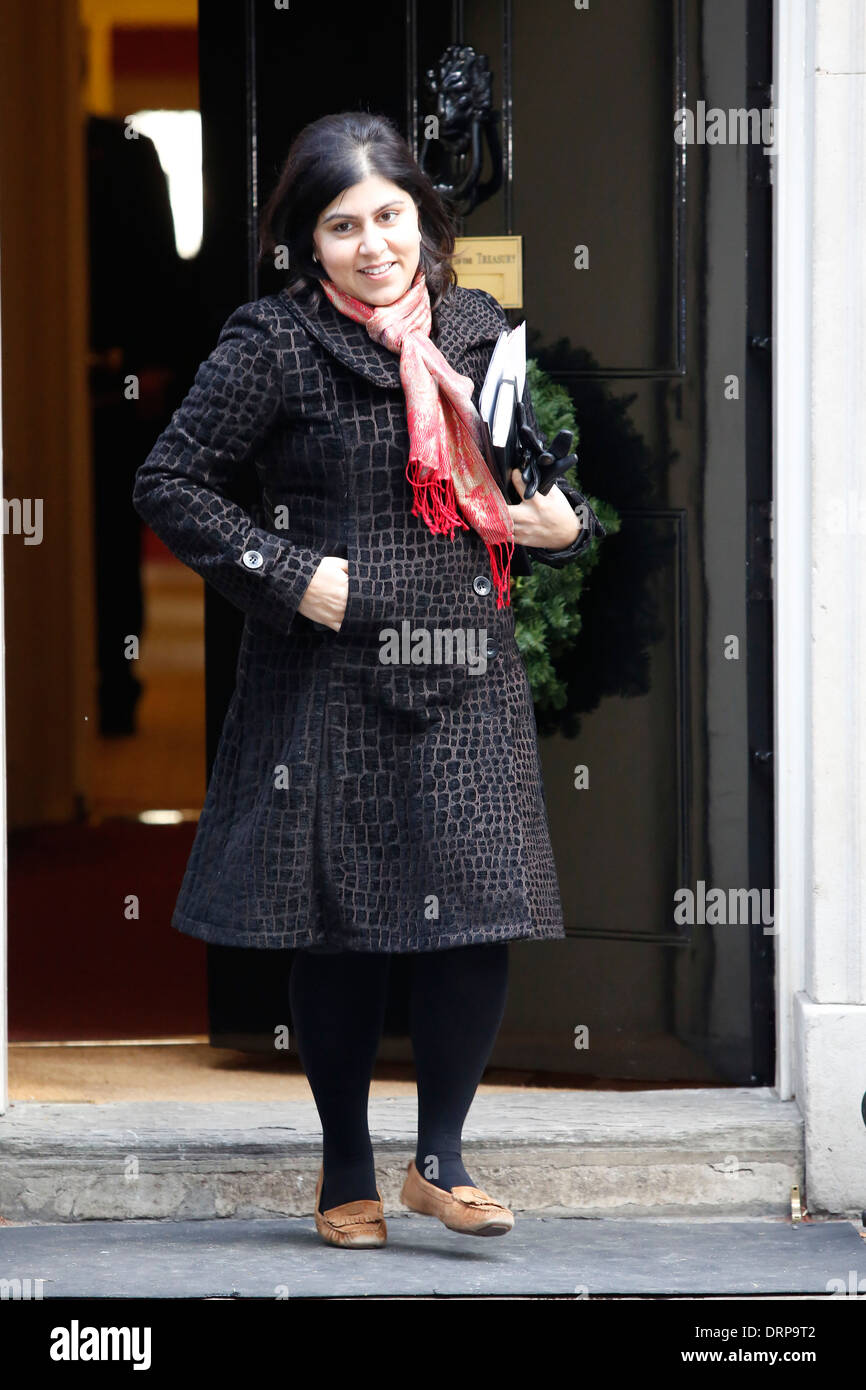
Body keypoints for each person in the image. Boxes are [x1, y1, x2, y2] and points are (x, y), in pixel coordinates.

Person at [132, 111, 605, 1249]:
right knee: (339, 925)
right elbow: (169, 483)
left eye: (389, 216)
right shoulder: (272, 343)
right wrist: (293, 575)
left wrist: (563, 523)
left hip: (462, 662)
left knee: (475, 910)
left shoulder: (475, 327)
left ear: (422, 220)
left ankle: (441, 1160)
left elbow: (531, 474)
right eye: (342, 226)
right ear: (309, 240)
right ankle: (345, 1165)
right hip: (328, 674)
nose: (373, 244)